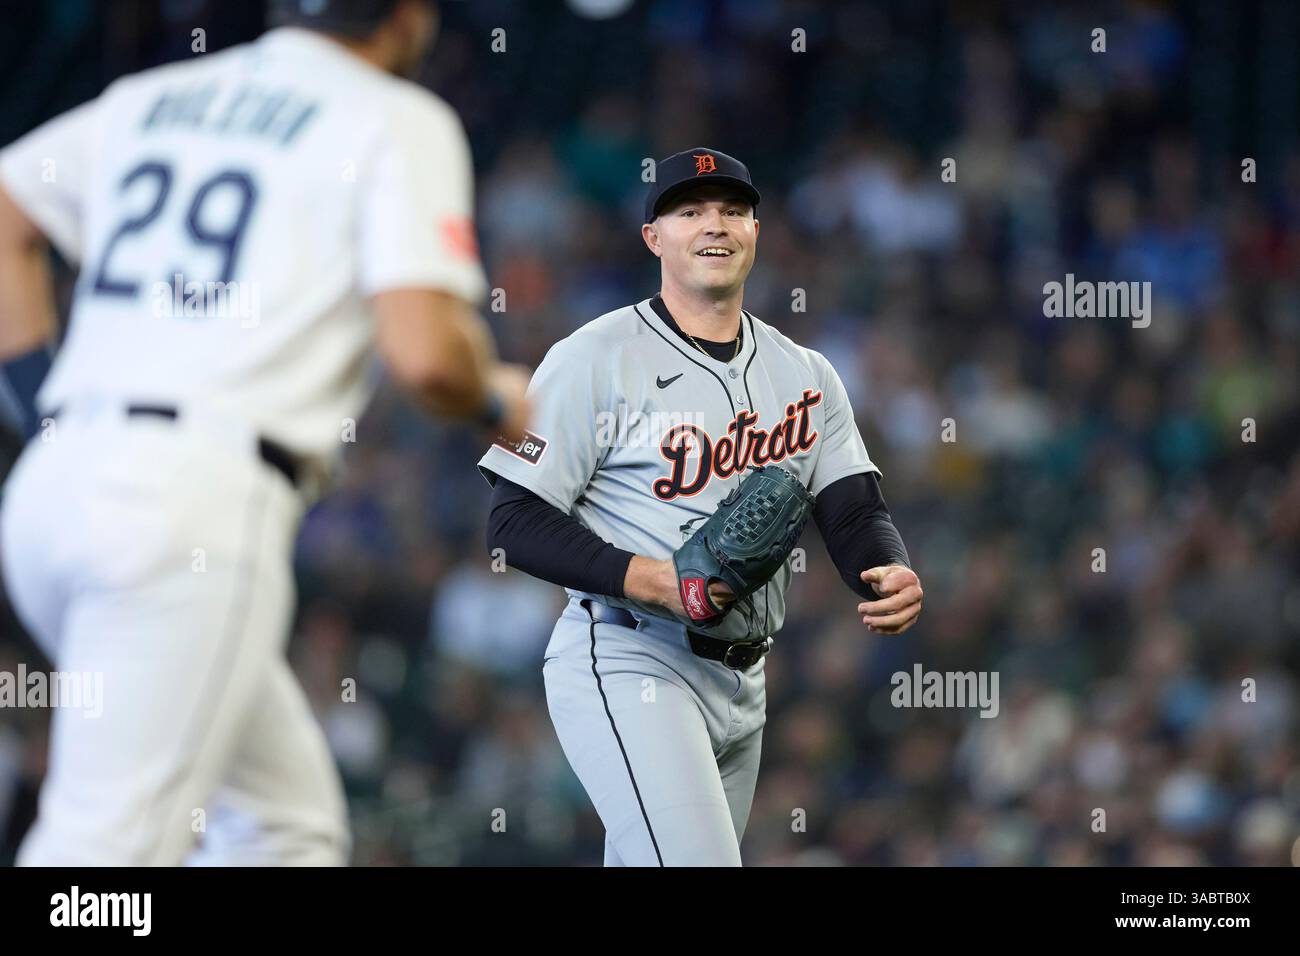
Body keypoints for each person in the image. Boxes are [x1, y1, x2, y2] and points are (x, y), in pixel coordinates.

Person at [0, 0, 529, 865]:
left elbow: (5, 209)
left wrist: (43, 410)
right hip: (192, 502)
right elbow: (427, 353)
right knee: (104, 855)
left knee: (282, 826)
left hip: (61, 487)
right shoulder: (395, 115)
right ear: (410, 18)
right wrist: (498, 402)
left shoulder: (161, 92)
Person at [477, 147, 923, 866]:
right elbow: (512, 521)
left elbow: (853, 510)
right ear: (654, 236)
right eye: (689, 210)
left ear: (755, 232)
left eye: (733, 210)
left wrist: (887, 569)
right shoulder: (593, 357)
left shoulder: (806, 373)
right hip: (631, 657)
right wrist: (651, 579)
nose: (714, 224)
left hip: (747, 682)